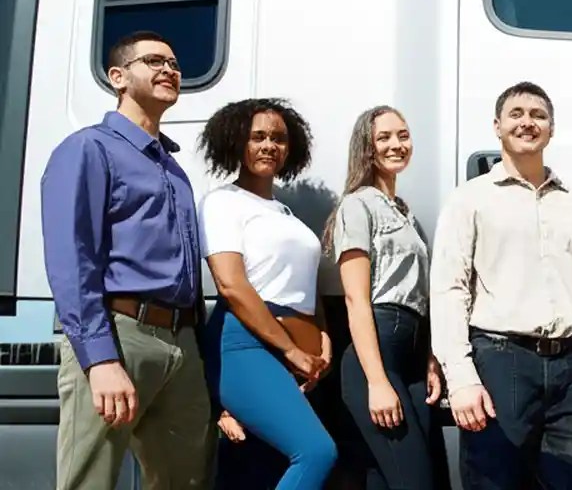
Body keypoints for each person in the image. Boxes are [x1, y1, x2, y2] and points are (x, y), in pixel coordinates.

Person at [431, 81, 572, 490]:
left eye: (538, 115)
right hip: (500, 364)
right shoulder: (468, 200)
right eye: (517, 114)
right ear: (497, 126)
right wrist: (462, 378)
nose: (527, 122)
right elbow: (449, 291)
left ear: (551, 129)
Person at [41, 30, 215, 489]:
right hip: (120, 336)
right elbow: (72, 260)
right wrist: (99, 360)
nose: (170, 71)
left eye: (175, 64)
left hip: (181, 341)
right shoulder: (88, 149)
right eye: (154, 61)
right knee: (90, 482)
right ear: (118, 77)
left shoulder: (174, 170)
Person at [197, 98, 337, 489]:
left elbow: (307, 284)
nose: (268, 145)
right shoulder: (223, 201)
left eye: (278, 138)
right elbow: (231, 284)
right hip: (246, 343)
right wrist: (291, 350)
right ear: (236, 143)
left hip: (297, 349)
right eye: (257, 137)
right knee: (316, 451)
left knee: (262, 468)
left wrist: (321, 338)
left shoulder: (285, 213)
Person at [323, 105, 447, 490]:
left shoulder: (405, 214)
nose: (397, 144)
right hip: (374, 354)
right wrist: (376, 382)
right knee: (416, 481)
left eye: (403, 135)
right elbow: (356, 300)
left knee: (391, 477)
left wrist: (428, 358)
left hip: (410, 353)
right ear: (367, 147)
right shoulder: (357, 205)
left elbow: (419, 298)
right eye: (385, 137)